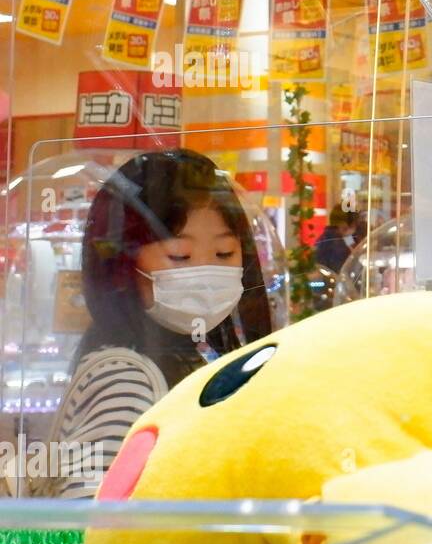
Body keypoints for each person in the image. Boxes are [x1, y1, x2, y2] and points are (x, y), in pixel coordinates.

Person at [36, 150, 272, 498]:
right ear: (123, 264)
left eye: (224, 254)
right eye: (180, 255)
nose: (205, 273)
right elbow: (87, 520)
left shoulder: (198, 357)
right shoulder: (124, 379)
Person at [314, 204, 359, 274]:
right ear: (344, 226)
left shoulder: (324, 239)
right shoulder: (338, 247)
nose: (355, 230)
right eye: (354, 225)